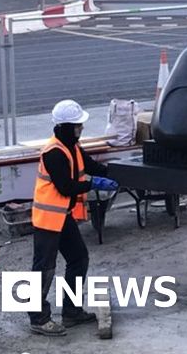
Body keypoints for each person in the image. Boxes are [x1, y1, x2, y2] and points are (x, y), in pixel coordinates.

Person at [30, 99, 119, 336]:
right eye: (78, 125)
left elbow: (89, 165)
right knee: (44, 269)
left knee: (79, 258)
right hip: (48, 220)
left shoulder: (72, 147)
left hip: (62, 216)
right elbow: (66, 187)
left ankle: (71, 312)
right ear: (66, 127)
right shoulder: (54, 153)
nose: (81, 129)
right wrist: (93, 183)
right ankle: (39, 319)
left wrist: (116, 171)